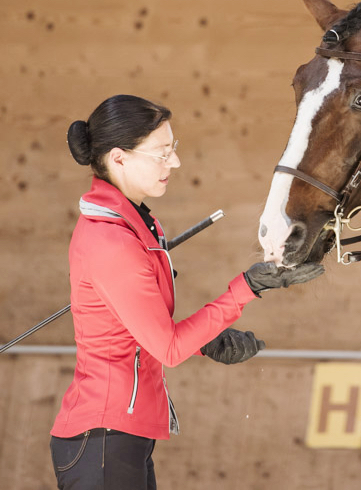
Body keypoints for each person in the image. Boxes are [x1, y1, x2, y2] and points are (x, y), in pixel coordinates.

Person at [50, 94, 323, 489]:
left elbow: (142, 330)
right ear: (119, 158)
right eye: (161, 153)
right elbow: (168, 349)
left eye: (172, 149)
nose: (174, 162)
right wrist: (246, 287)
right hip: (103, 441)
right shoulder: (111, 241)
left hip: (119, 438)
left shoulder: (139, 226)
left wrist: (207, 342)